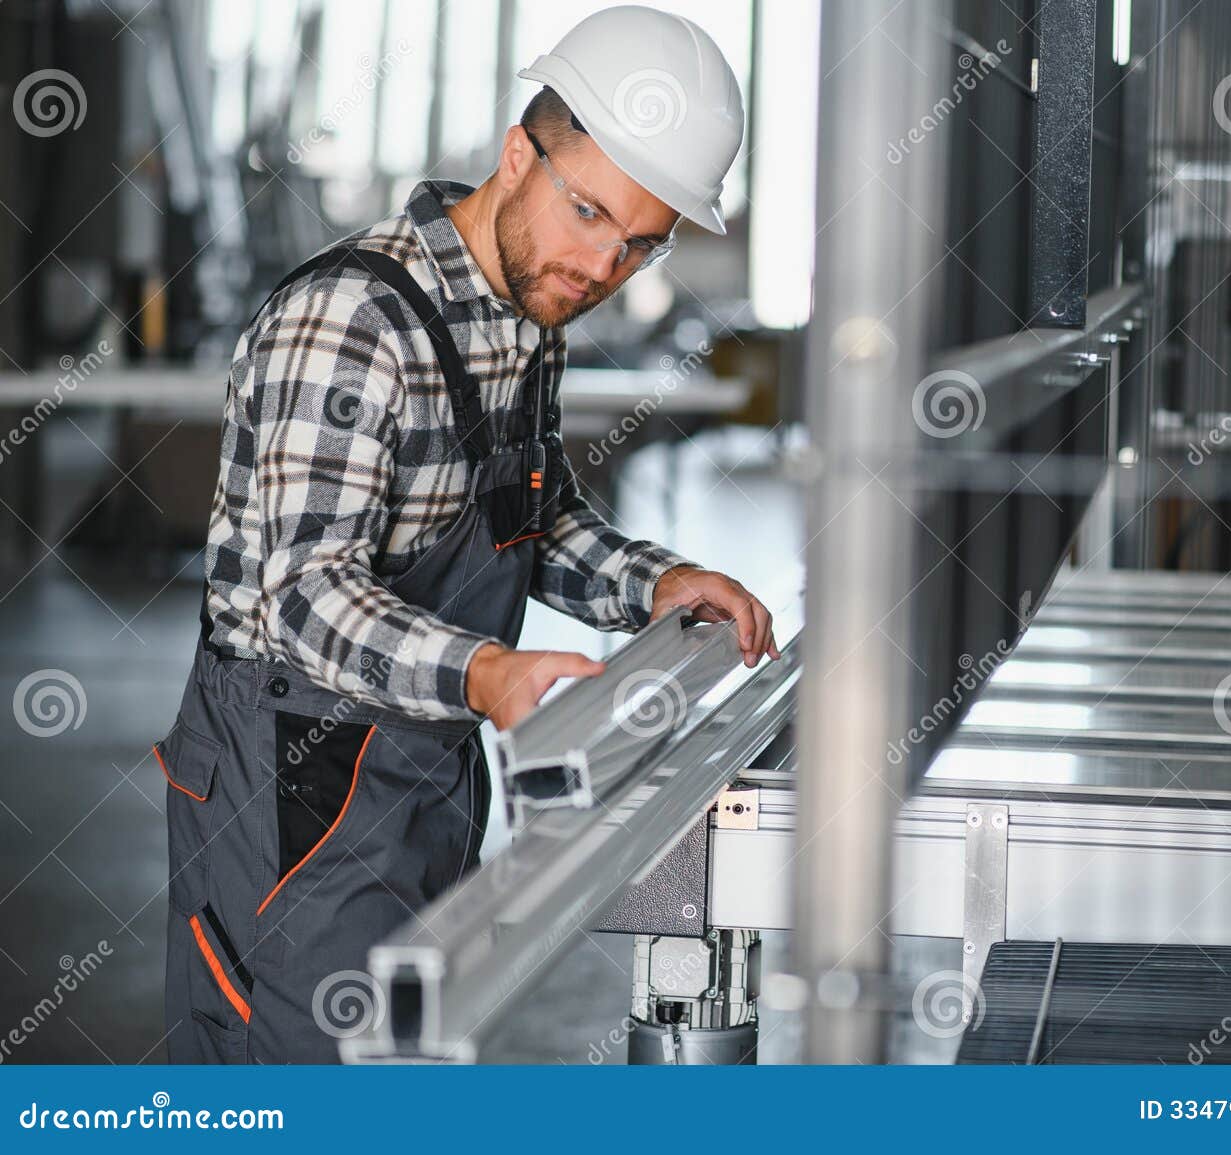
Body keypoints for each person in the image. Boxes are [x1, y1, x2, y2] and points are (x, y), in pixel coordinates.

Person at [155, 5, 772, 1062]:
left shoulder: (527, 313)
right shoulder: (354, 319)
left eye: (636, 246)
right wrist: (486, 674)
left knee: (401, 1064)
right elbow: (303, 595)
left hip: (418, 772)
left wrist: (656, 584)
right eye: (586, 213)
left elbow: (531, 526)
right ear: (516, 154)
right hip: (290, 782)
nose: (599, 265)